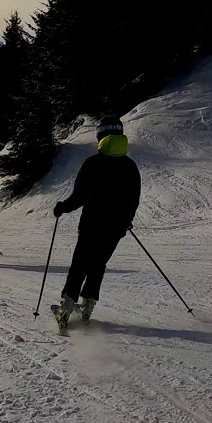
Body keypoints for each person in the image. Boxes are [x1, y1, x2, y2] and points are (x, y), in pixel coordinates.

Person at [52, 115, 140, 325]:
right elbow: (133, 200)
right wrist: (125, 220)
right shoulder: (130, 166)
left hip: (92, 224)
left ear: (100, 135)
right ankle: (88, 307)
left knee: (80, 264)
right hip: (115, 228)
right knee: (98, 264)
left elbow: (79, 197)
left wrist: (62, 207)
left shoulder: (94, 163)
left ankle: (66, 307)